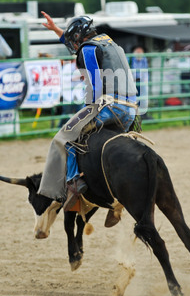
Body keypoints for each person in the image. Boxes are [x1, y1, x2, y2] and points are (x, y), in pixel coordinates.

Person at [38, 11, 138, 215]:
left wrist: (89, 110)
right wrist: (57, 30)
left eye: (72, 40)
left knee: (64, 138)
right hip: (131, 110)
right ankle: (117, 199)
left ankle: (74, 180)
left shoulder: (88, 50)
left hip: (110, 107)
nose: (73, 47)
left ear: (77, 38)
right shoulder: (109, 43)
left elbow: (94, 84)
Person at [130, 46, 150, 119]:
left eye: (141, 52)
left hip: (141, 81)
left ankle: (143, 114)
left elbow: (145, 71)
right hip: (132, 81)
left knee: (143, 98)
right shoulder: (129, 58)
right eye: (138, 51)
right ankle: (134, 115)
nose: (139, 53)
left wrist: (145, 81)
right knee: (132, 98)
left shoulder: (144, 59)